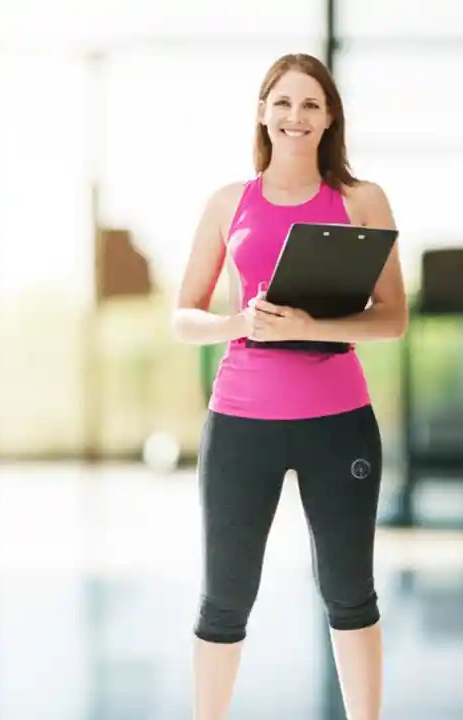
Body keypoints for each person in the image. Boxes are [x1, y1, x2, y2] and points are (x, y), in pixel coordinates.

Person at [170, 53, 407, 720]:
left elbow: (391, 319)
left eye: (311, 104)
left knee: (350, 592)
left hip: (340, 421)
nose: (295, 116)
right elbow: (182, 318)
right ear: (262, 111)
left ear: (330, 117)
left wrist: (314, 321)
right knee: (225, 597)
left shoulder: (362, 200)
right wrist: (239, 321)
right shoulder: (228, 202)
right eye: (283, 102)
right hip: (241, 422)